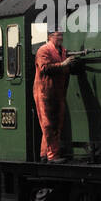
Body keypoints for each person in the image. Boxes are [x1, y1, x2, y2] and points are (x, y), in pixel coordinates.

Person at [34, 30, 79, 161]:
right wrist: (63, 64)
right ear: (49, 36)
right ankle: (53, 156)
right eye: (57, 35)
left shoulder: (63, 51)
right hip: (44, 91)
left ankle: (44, 154)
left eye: (61, 35)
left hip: (58, 91)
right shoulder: (43, 50)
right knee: (48, 124)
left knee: (56, 124)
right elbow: (44, 69)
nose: (60, 38)